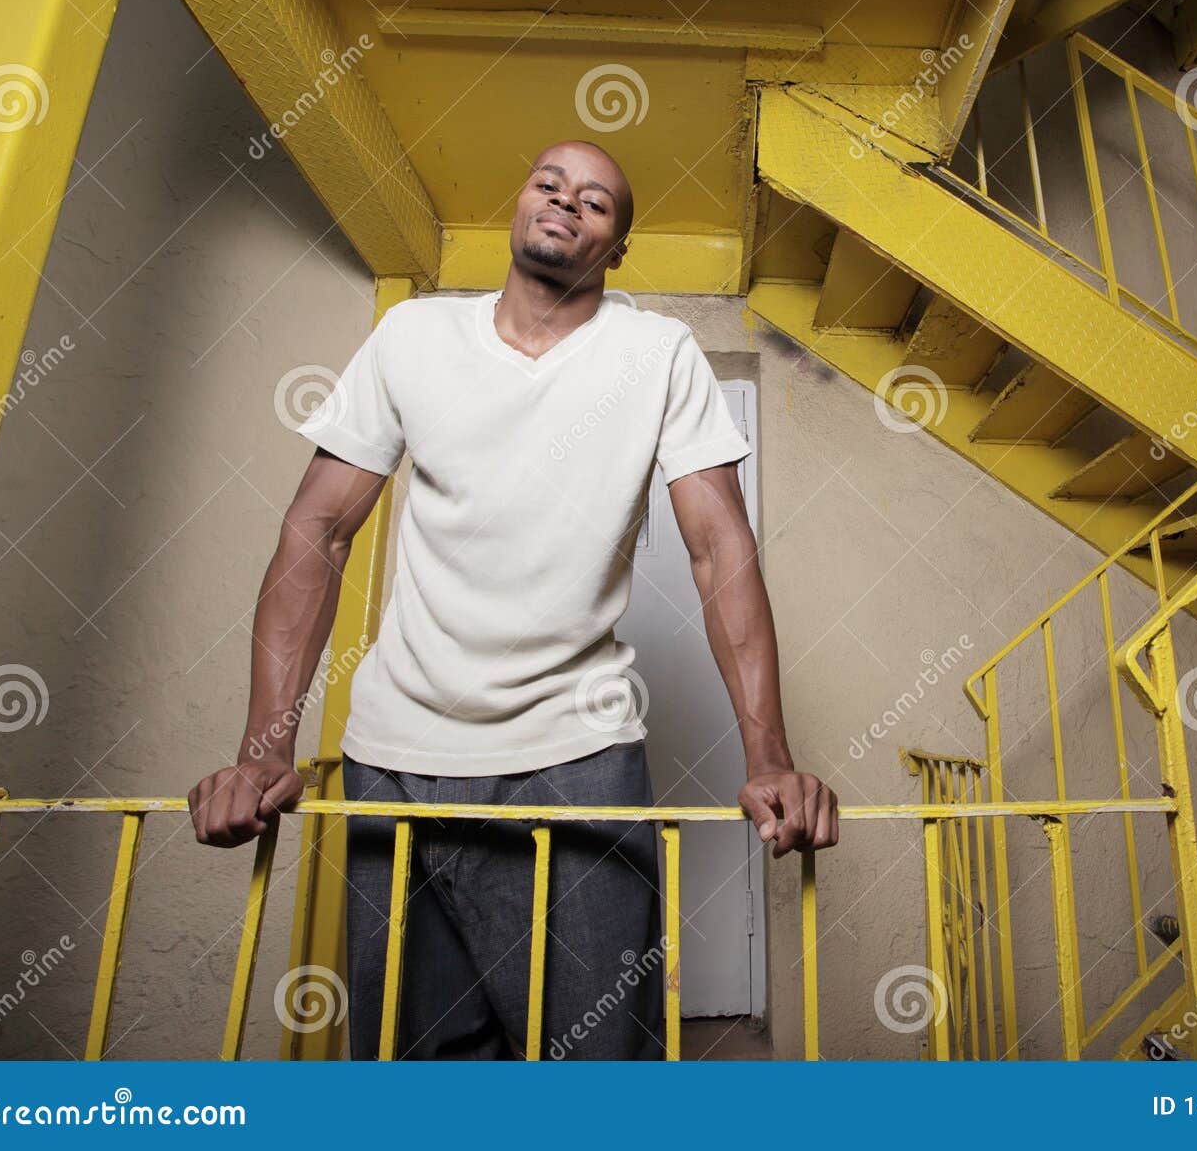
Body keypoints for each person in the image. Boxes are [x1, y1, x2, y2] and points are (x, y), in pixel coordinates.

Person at [186, 139, 839, 1059]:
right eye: (549, 183)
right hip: (397, 758)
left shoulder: (658, 353)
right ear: (520, 203)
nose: (568, 203)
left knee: (598, 1062)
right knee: (420, 1066)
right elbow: (317, 531)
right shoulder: (412, 334)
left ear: (617, 248)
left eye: (598, 202)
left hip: (579, 758)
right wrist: (262, 752)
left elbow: (718, 547)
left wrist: (770, 757)